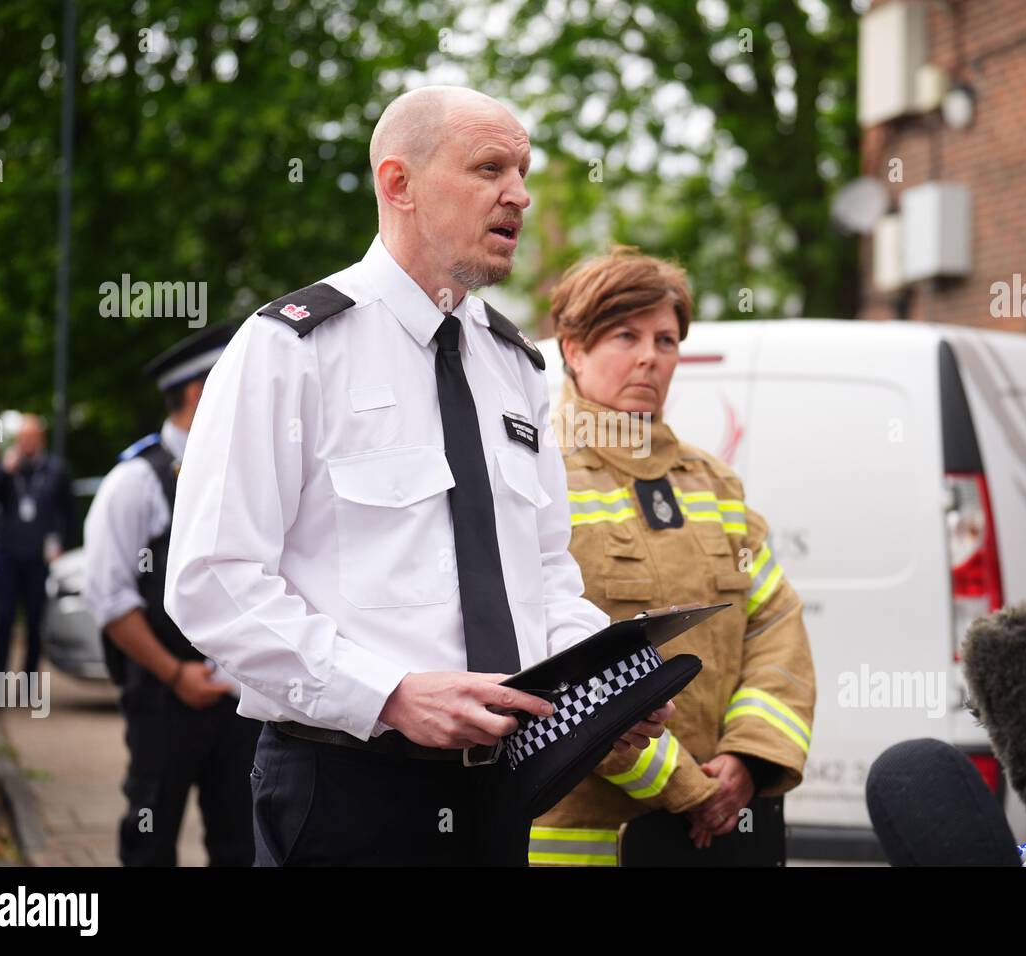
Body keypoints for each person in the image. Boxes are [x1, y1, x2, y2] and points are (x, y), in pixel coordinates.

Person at [163, 86, 672, 867]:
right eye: (490, 168)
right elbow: (212, 579)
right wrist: (388, 693)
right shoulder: (291, 350)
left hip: (502, 788)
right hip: (344, 789)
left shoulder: (513, 364)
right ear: (397, 183)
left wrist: (605, 688)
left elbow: (542, 574)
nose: (520, 194)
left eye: (524, 171)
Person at [529, 248, 816, 866]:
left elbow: (774, 626)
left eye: (665, 339)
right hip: (587, 843)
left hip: (720, 832)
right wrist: (683, 785)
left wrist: (746, 759)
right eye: (624, 335)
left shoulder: (714, 484)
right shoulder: (534, 473)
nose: (649, 357)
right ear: (572, 348)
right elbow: (550, 660)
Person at [82, 323, 260, 866]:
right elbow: (109, 599)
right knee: (150, 840)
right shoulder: (136, 481)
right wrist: (176, 673)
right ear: (197, 393)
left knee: (243, 844)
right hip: (165, 700)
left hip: (242, 701)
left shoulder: (244, 469)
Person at [0, 415, 74, 676]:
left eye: (32, 437)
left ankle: (29, 682)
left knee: (34, 621)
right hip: (7, 554)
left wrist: (61, 545)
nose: (28, 442)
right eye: (23, 438)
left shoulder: (55, 470)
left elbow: (69, 512)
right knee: (4, 617)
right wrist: (3, 471)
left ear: (40, 439)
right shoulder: (7, 470)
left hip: (39, 557)